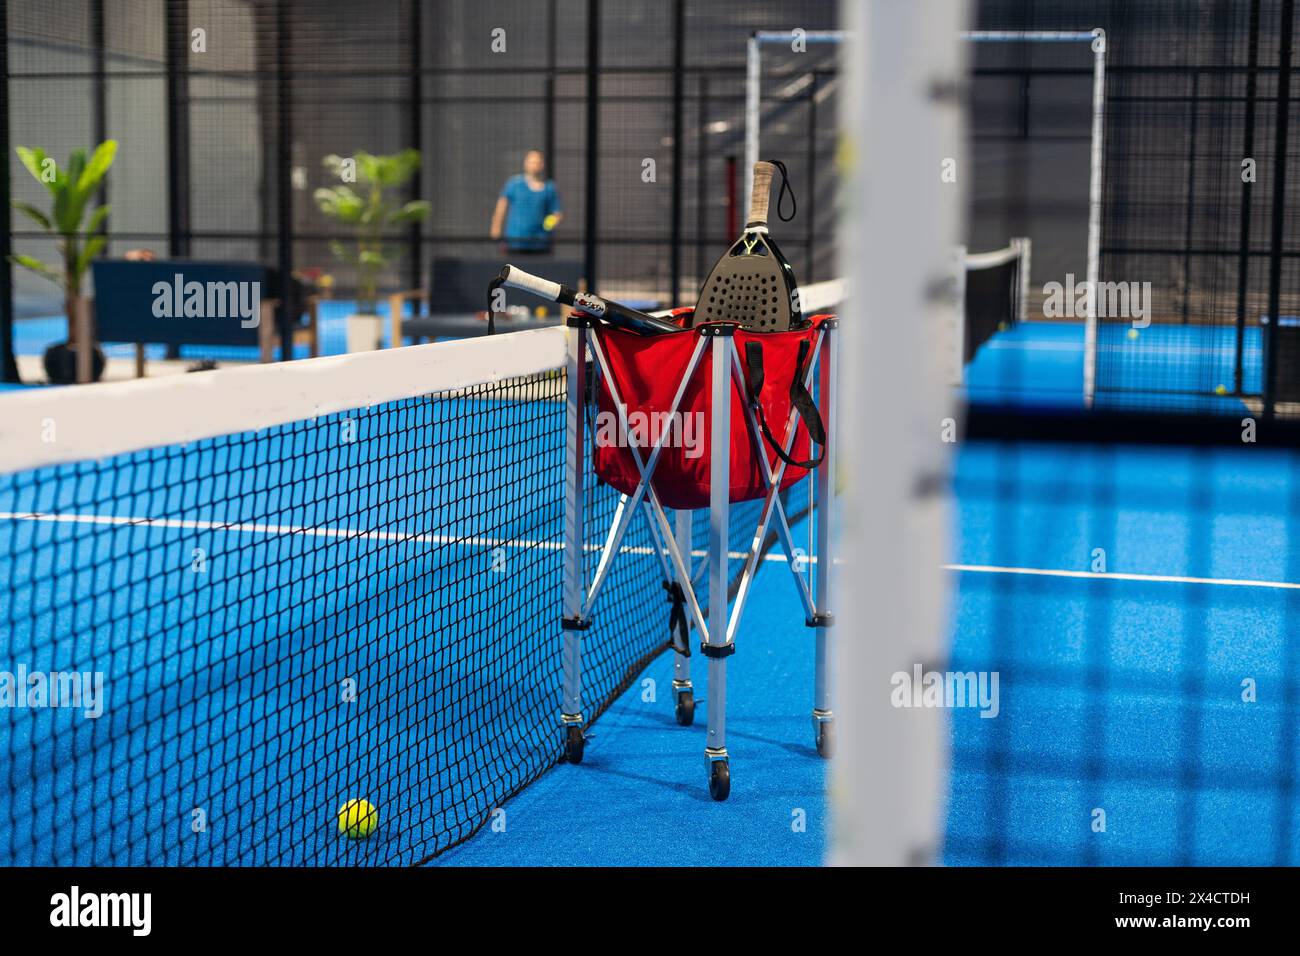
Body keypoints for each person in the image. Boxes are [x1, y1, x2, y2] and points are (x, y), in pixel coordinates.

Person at [490, 149, 562, 254]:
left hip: (540, 244)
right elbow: (501, 208)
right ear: (526, 163)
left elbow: (557, 214)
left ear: (542, 165)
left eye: (538, 162)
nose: (535, 165)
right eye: (532, 162)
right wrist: (496, 228)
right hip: (515, 243)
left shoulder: (550, 188)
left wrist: (550, 223)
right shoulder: (513, 184)